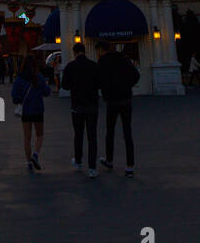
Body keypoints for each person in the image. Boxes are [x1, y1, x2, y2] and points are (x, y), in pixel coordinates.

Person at [97, 42, 140, 176]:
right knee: (127, 132)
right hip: (125, 99)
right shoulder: (124, 59)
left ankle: (109, 160)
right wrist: (127, 86)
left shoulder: (103, 61)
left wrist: (106, 90)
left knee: (110, 131)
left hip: (112, 100)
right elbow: (136, 76)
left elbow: (99, 80)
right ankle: (130, 166)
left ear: (102, 50)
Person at [59, 42, 101, 177]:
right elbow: (99, 84)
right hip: (92, 105)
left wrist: (74, 85)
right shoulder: (94, 66)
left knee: (78, 135)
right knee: (92, 137)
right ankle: (92, 168)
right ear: (85, 51)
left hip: (77, 105)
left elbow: (65, 86)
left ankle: (78, 161)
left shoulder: (70, 66)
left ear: (74, 52)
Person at [11, 54, 51, 172]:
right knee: (40, 135)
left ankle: (28, 162)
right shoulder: (38, 77)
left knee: (27, 137)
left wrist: (20, 98)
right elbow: (47, 92)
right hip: (38, 109)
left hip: (26, 110)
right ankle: (36, 154)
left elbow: (14, 96)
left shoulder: (19, 79)